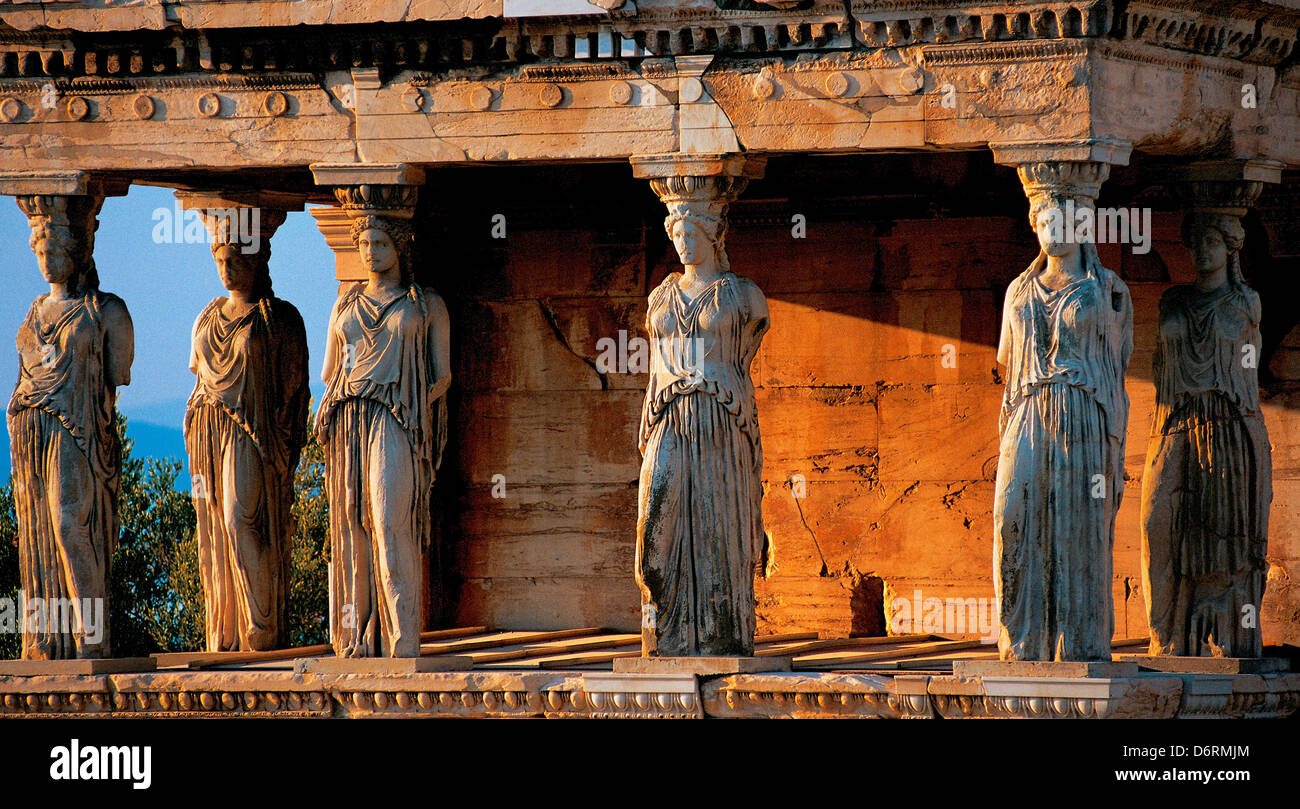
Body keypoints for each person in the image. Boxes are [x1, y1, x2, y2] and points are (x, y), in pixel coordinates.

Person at [993, 195, 1132, 662]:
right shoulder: (1018, 289)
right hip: (1028, 408)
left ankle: (1081, 642)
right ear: (1034, 225)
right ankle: (1022, 640)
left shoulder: (1106, 288)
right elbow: (1006, 360)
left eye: (1066, 220)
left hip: (1082, 412)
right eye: (1046, 219)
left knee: (1079, 525)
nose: (1055, 228)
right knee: (1013, 517)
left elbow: (1120, 357)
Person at [635, 201, 769, 657]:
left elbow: (744, 356)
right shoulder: (659, 297)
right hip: (667, 415)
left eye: (691, 232)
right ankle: (667, 633)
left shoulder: (744, 296)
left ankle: (717, 636)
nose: (682, 241)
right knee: (657, 525)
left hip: (720, 417)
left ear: (714, 235)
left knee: (717, 525)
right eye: (675, 233)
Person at [316, 214, 450, 658]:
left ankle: (402, 637)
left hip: (397, 418)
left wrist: (411, 404)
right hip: (349, 417)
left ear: (399, 246)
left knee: (391, 520)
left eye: (380, 242)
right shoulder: (345, 304)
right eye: (365, 243)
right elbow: (329, 371)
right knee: (352, 523)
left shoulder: (424, 303)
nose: (371, 251)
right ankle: (357, 638)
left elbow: (442, 375)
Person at [1140, 212, 1271, 657]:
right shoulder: (1172, 301)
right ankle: (1166, 631)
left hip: (1225, 422)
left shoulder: (1244, 303)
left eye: (1212, 242)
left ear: (1231, 248)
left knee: (1222, 528)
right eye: (1195, 242)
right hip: (1173, 420)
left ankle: (1217, 632)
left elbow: (1250, 366)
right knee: (1156, 521)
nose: (1202, 251)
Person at [8, 194, 133, 659]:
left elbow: (117, 377)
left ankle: (93, 637)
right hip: (31, 430)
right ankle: (50, 639)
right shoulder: (34, 311)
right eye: (40, 252)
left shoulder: (105, 311)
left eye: (56, 251)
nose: (47, 261)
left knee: (68, 524)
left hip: (78, 431)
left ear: (77, 253)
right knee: (38, 527)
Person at [185, 215, 309, 652]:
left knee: (241, 517)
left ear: (258, 260)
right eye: (220, 258)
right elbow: (197, 373)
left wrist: (281, 433)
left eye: (235, 258)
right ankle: (230, 628)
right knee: (217, 523)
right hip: (208, 428)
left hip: (253, 431)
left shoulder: (279, 318)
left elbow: (294, 388)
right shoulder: (206, 316)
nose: (226, 268)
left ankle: (264, 622)